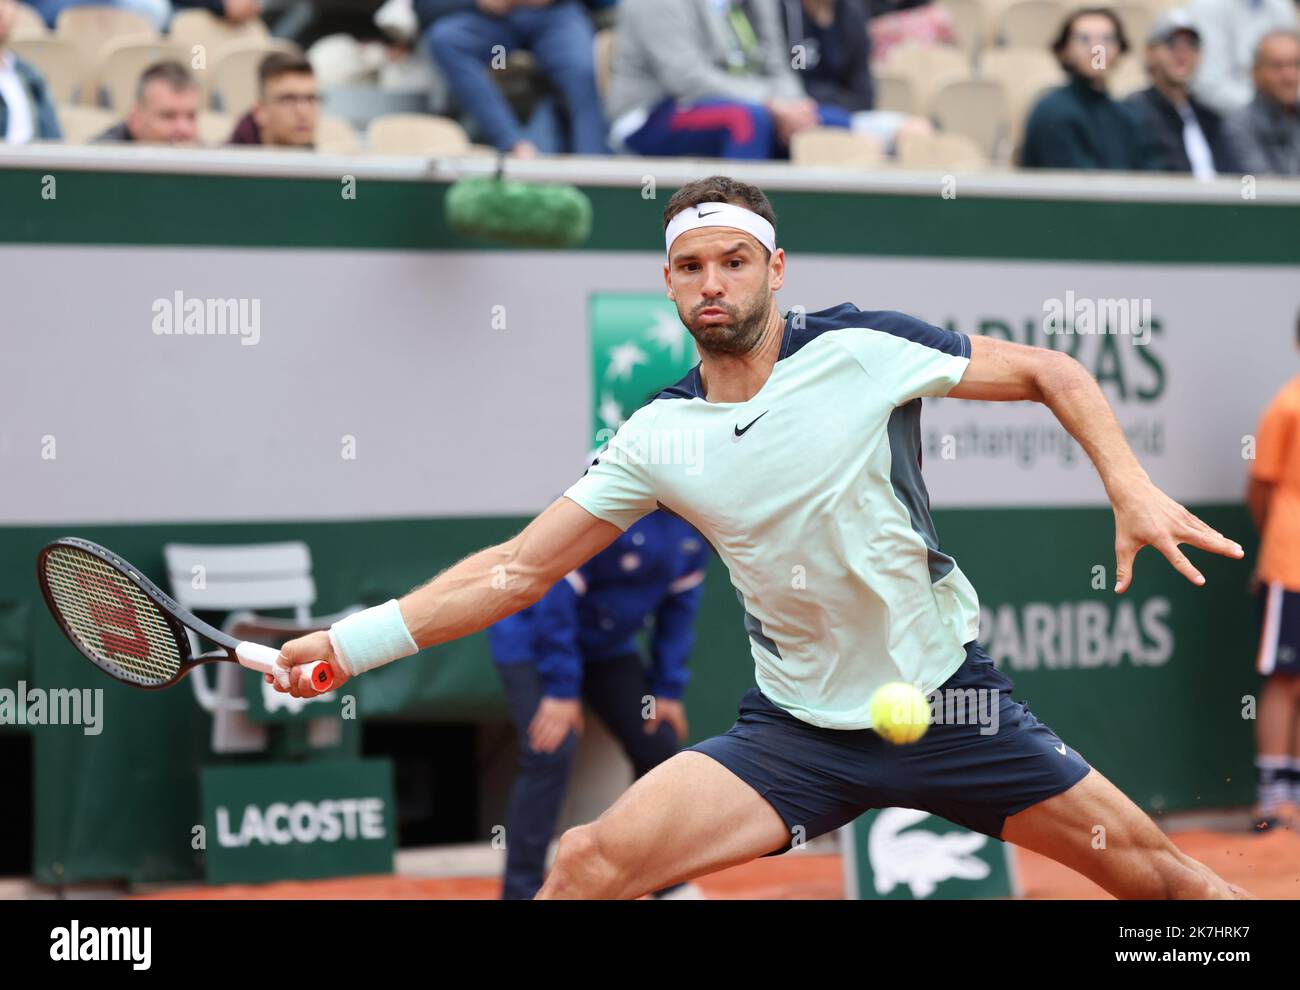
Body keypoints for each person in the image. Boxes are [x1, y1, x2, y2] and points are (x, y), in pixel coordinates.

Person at [271, 174, 1250, 900]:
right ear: (668, 284)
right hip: (793, 736)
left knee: (1165, 884)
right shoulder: (656, 436)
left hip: (951, 708)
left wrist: (1128, 487)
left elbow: (1051, 373)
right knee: (583, 865)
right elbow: (518, 569)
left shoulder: (862, 350)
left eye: (734, 262)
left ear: (772, 270)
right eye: (692, 267)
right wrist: (349, 646)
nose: (714, 283)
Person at [488, 506, 706, 899]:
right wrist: (560, 690)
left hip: (607, 651)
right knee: (550, 750)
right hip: (534, 643)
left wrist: (667, 690)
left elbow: (679, 612)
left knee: (657, 742)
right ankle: (521, 892)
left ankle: (666, 882)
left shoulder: (694, 526)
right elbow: (556, 604)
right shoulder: (598, 509)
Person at [608, 0, 854, 160]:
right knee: (746, 121)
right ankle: (738, 231)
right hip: (654, 113)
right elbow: (687, 79)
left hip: (752, 103)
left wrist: (795, 107)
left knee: (832, 123)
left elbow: (777, 66)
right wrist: (771, 105)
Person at [416, 0, 608, 157]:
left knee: (580, 69)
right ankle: (513, 145)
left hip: (555, 16)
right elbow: (424, 7)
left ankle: (592, 166)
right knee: (446, 38)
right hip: (495, 28)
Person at [1245, 313, 1300, 832]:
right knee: (1285, 678)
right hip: (1291, 566)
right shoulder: (1287, 406)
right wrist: (1273, 549)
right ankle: (1272, 800)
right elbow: (1259, 487)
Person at [1021, 7, 1155, 170]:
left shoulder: (1128, 116)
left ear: (1119, 49)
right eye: (1084, 39)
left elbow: (1152, 177)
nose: (1097, 48)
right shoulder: (1050, 111)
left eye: (1107, 39)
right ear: (1065, 51)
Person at [1124, 9, 1240, 177]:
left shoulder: (1210, 118)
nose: (1182, 53)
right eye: (1172, 44)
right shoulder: (1133, 112)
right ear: (1150, 52)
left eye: (1191, 44)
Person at [1188, 0, 1296, 117]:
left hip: (1280, 113)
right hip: (1222, 120)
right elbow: (1208, 85)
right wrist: (1266, 108)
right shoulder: (1208, 6)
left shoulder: (1281, 6)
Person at [1223, 30, 1300, 177]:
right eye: (1277, 66)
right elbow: (1264, 189)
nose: (1289, 77)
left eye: (1296, 65)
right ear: (1255, 73)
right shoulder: (1240, 126)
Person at [228, 52, 319, 148]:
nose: (303, 111)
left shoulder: (325, 159)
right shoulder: (222, 160)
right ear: (260, 111)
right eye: (288, 99)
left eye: (311, 99)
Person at [95, 61, 199, 144]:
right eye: (168, 116)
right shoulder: (96, 161)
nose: (183, 129)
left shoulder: (208, 157)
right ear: (135, 119)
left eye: (191, 117)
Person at [0, 0, 61, 143]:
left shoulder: (31, 76)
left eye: (7, 2)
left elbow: (55, 144)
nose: (1, 9)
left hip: (33, 163)